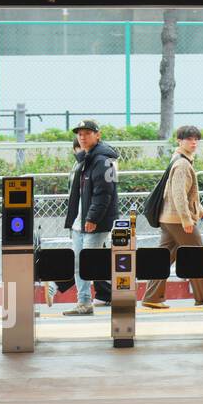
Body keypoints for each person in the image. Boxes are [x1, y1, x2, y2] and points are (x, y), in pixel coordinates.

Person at [141, 125, 203, 310]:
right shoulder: (182, 164)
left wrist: (200, 209)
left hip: (168, 219)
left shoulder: (178, 159)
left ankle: (152, 297)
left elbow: (186, 194)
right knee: (198, 257)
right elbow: (178, 194)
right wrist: (187, 219)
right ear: (180, 141)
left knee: (163, 259)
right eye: (189, 139)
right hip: (178, 220)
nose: (193, 142)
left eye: (196, 139)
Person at [61, 120, 118, 316]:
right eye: (79, 134)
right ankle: (84, 301)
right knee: (80, 262)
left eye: (87, 133)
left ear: (97, 135)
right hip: (80, 222)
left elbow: (104, 193)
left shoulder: (102, 160)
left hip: (95, 222)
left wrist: (92, 218)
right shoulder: (85, 158)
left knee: (87, 262)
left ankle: (112, 293)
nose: (82, 137)